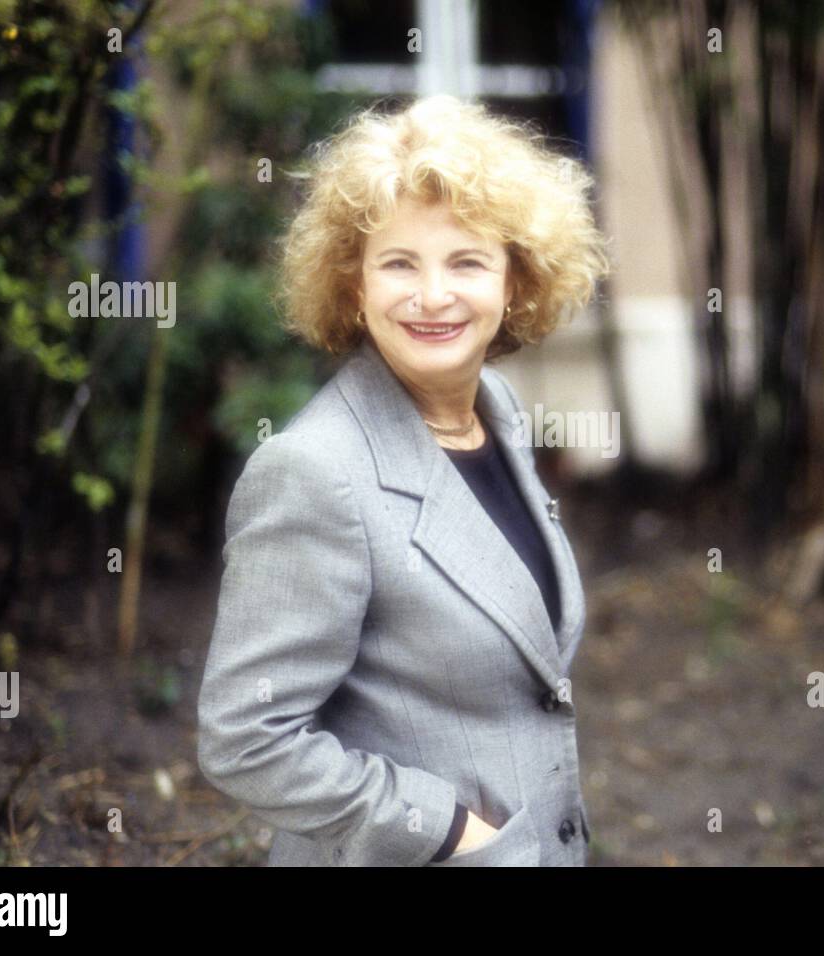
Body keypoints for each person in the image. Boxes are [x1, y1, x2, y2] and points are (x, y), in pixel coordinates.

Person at [196, 94, 610, 866]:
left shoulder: (499, 414)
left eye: (466, 261)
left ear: (514, 280)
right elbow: (245, 738)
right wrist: (449, 831)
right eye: (398, 263)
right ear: (354, 285)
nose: (432, 295)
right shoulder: (315, 473)